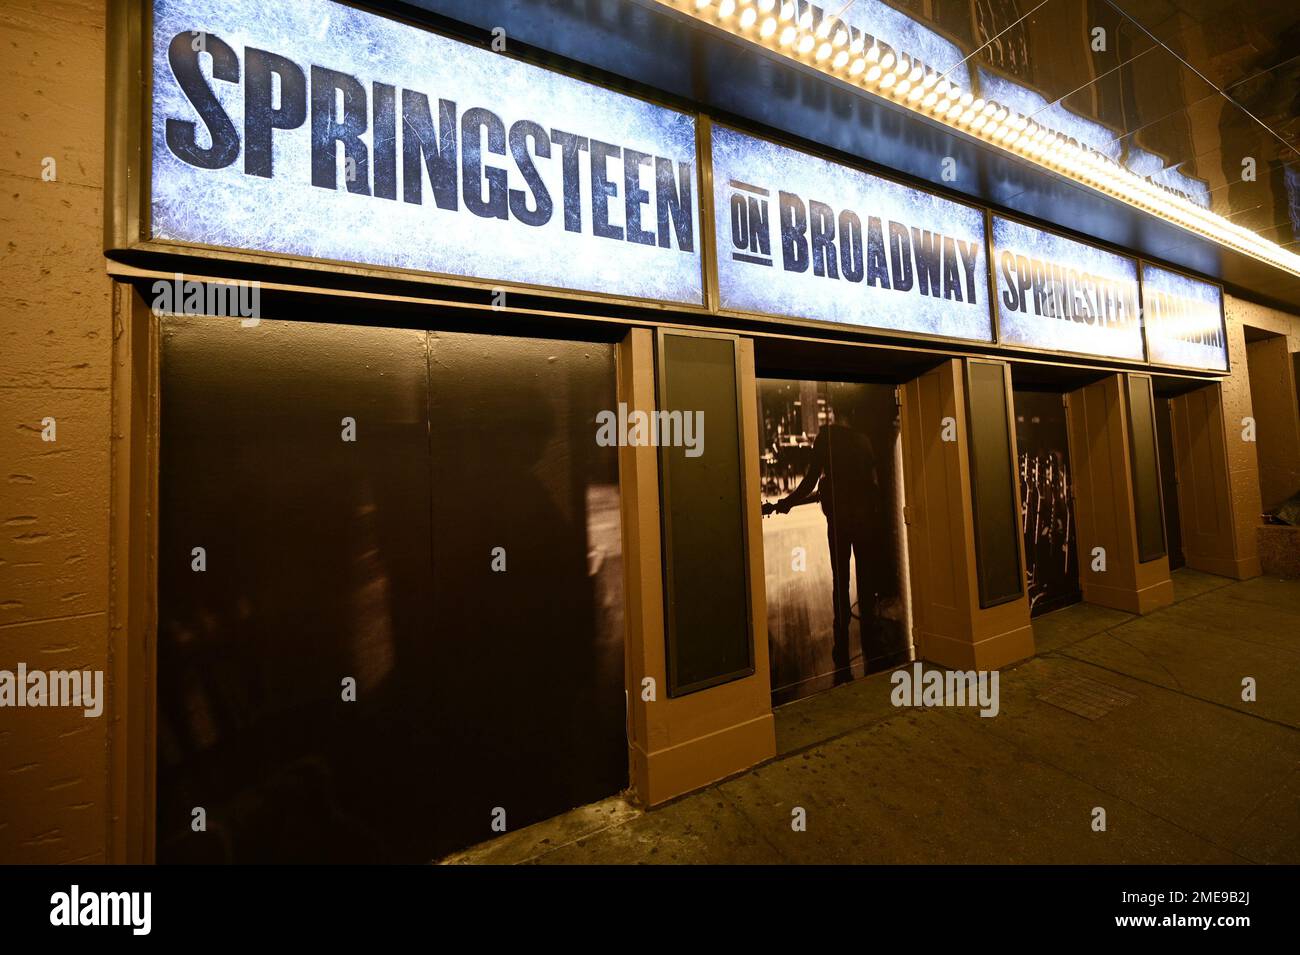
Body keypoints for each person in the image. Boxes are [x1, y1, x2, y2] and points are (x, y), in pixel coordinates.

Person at [764, 392, 881, 683]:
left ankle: (841, 644)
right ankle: (871, 639)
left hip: (840, 521)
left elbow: (810, 480)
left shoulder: (827, 437)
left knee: (840, 579)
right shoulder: (864, 442)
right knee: (866, 579)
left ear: (833, 412)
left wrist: (786, 502)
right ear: (852, 413)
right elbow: (872, 485)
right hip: (865, 520)